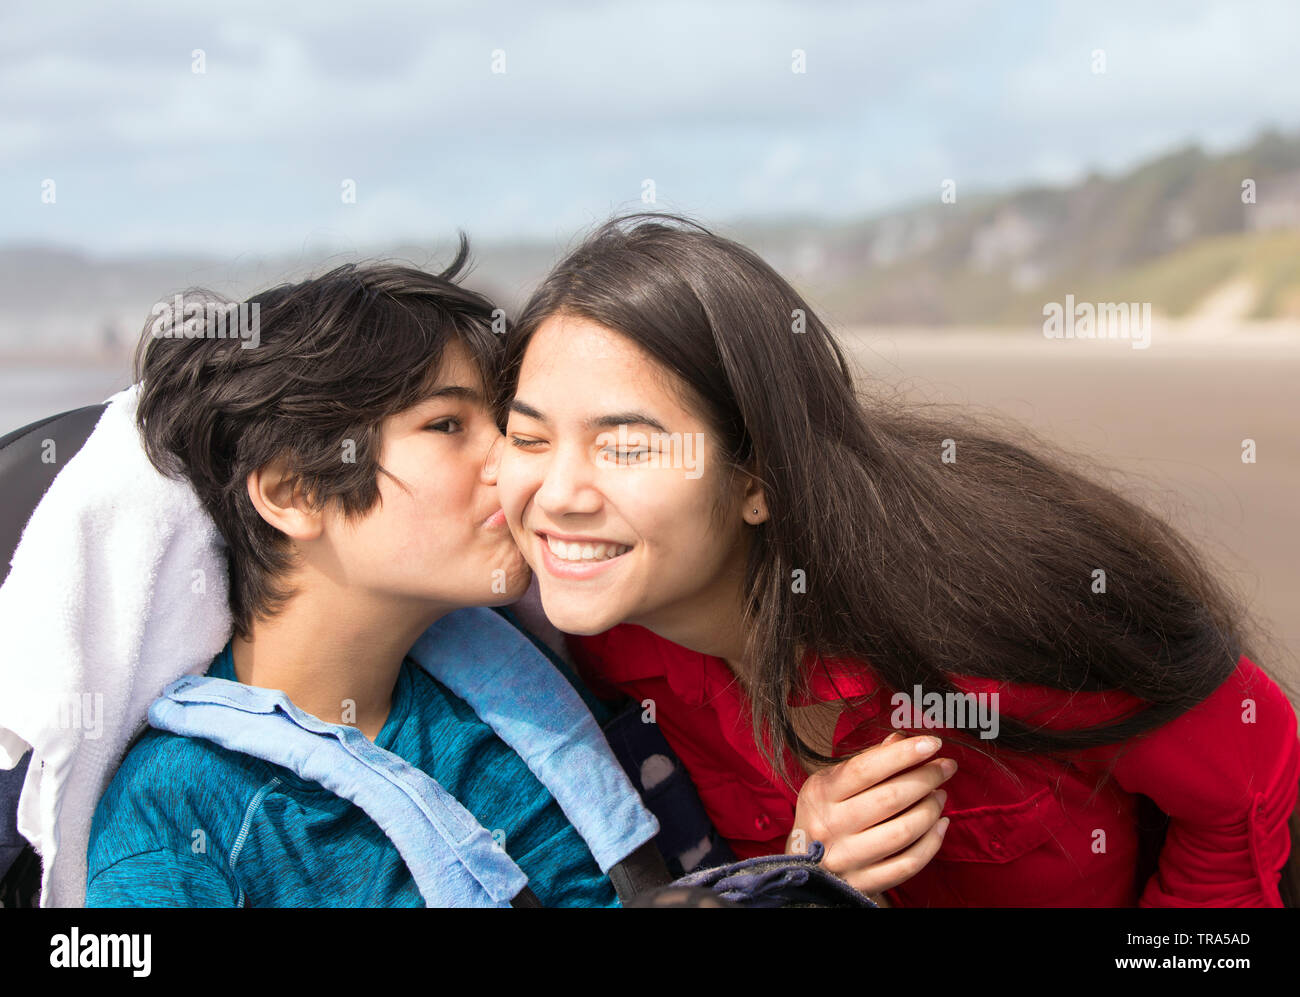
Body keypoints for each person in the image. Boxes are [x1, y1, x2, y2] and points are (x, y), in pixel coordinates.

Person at [488, 211, 1300, 906]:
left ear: (760, 477)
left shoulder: (988, 607)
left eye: (626, 446)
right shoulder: (600, 645)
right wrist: (806, 868)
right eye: (528, 437)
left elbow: (1250, 775)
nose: (558, 492)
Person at [84, 245, 652, 907]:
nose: (513, 461)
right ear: (294, 492)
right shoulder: (181, 809)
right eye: (446, 424)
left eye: (502, 424)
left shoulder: (514, 698)